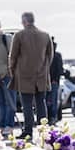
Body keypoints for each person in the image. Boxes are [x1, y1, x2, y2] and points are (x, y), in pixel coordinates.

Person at [9, 11, 53, 139]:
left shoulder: (19, 35)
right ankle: (44, 132)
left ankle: (28, 131)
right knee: (41, 103)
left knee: (27, 105)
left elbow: (13, 56)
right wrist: (44, 70)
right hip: (41, 76)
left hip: (24, 75)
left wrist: (13, 72)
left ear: (24, 21)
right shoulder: (45, 35)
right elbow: (50, 56)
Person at [48, 38, 64, 124]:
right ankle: (51, 117)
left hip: (52, 81)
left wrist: (55, 79)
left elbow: (59, 69)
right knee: (50, 101)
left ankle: (52, 117)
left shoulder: (56, 56)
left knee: (52, 101)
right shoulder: (47, 55)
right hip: (48, 81)